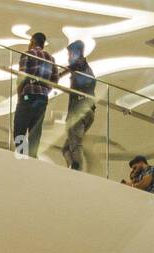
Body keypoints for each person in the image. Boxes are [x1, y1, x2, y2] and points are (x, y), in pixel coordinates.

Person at [13, 32, 57, 158]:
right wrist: (44, 89)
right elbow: (54, 80)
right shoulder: (51, 58)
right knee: (35, 131)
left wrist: (20, 95)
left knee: (20, 128)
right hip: (43, 97)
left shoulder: (28, 54)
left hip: (28, 95)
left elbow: (22, 76)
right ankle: (32, 158)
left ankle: (22, 156)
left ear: (32, 41)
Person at [60, 41, 96, 171]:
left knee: (75, 144)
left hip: (79, 110)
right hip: (88, 111)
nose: (68, 57)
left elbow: (75, 65)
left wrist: (58, 75)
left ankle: (78, 170)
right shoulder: (85, 69)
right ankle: (73, 166)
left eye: (70, 54)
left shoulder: (81, 66)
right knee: (66, 148)